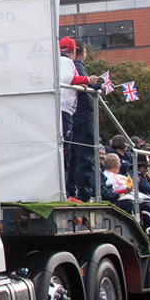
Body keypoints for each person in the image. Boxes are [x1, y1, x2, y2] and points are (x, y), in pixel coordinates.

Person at [57, 38, 98, 201]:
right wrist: (88, 80)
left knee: (67, 153)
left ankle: (67, 192)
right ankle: (68, 193)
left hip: (63, 110)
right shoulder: (67, 62)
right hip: (65, 110)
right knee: (66, 153)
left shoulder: (57, 61)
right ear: (74, 51)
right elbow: (66, 78)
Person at [69, 43, 99, 200]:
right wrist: (97, 85)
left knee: (73, 157)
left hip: (74, 116)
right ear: (83, 52)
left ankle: (73, 192)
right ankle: (84, 194)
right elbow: (83, 84)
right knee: (84, 156)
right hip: (82, 117)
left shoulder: (70, 66)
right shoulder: (77, 66)